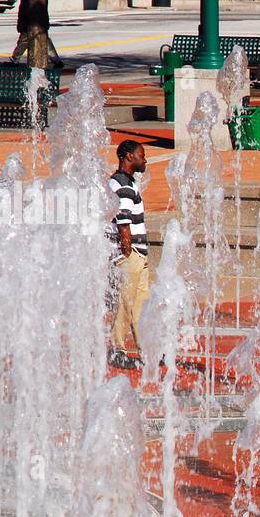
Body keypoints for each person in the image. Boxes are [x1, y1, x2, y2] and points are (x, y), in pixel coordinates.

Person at [107, 140, 151, 370]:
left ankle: (146, 349)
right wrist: (128, 251)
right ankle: (118, 350)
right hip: (131, 254)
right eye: (141, 155)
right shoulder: (122, 184)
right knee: (125, 303)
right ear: (128, 157)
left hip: (138, 255)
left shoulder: (128, 183)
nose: (144, 160)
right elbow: (123, 220)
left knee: (140, 305)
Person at [9, 0, 62, 68]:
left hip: (30, 23)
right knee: (44, 41)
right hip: (35, 22)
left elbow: (24, 12)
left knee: (25, 41)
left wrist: (22, 24)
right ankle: (56, 61)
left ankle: (15, 59)